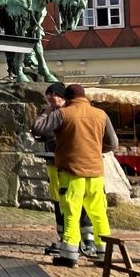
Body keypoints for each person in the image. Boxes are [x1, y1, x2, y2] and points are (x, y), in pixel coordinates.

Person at [50, 84, 115, 267]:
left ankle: (69, 256)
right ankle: (104, 254)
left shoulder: (63, 113)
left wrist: (46, 112)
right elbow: (113, 143)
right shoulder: (101, 114)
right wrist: (94, 150)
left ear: (67, 98)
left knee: (71, 212)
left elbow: (39, 129)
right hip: (95, 172)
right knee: (99, 214)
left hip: (72, 171)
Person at [31, 83, 98, 258]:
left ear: (63, 97)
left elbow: (44, 129)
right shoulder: (53, 112)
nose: (51, 99)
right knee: (60, 202)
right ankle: (66, 239)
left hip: (71, 166)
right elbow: (38, 130)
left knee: (79, 204)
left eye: (54, 95)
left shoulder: (66, 113)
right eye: (48, 95)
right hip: (55, 164)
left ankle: (87, 241)